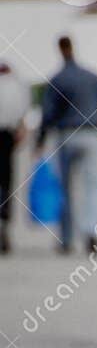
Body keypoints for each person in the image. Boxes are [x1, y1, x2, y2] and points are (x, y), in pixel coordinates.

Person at [36, 36, 97, 255]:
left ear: (60, 50)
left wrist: (40, 140)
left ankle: (66, 238)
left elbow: (47, 113)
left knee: (66, 189)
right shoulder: (91, 76)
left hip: (67, 134)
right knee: (93, 187)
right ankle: (92, 230)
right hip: (91, 134)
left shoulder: (58, 79)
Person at [0, 60, 30, 254]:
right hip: (7, 137)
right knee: (6, 181)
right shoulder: (16, 86)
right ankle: (4, 220)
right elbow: (22, 115)